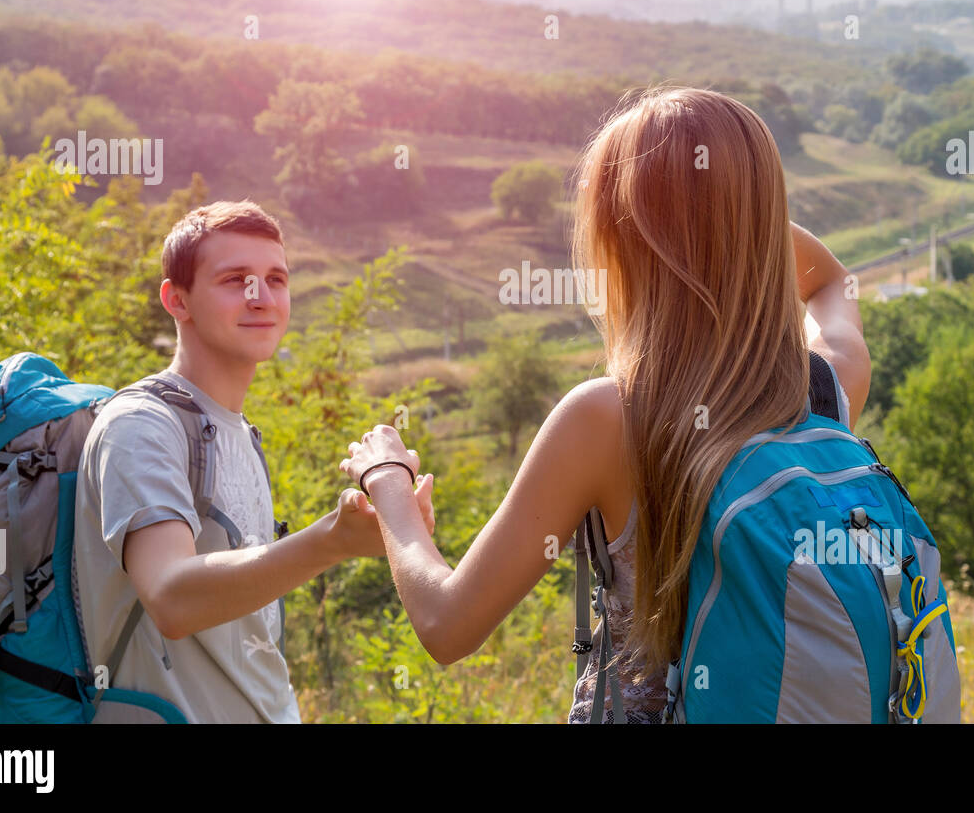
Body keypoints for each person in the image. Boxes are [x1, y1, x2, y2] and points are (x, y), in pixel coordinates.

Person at [340, 86, 871, 722]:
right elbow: (835, 282)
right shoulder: (821, 393)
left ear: (621, 243)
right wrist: (740, 222)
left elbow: (447, 624)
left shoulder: (605, 420)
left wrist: (389, 482)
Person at [73, 200, 432, 722]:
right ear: (177, 300)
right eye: (235, 279)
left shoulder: (238, 431)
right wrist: (332, 541)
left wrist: (392, 526)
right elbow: (172, 599)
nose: (261, 297)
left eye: (276, 279)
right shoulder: (141, 426)